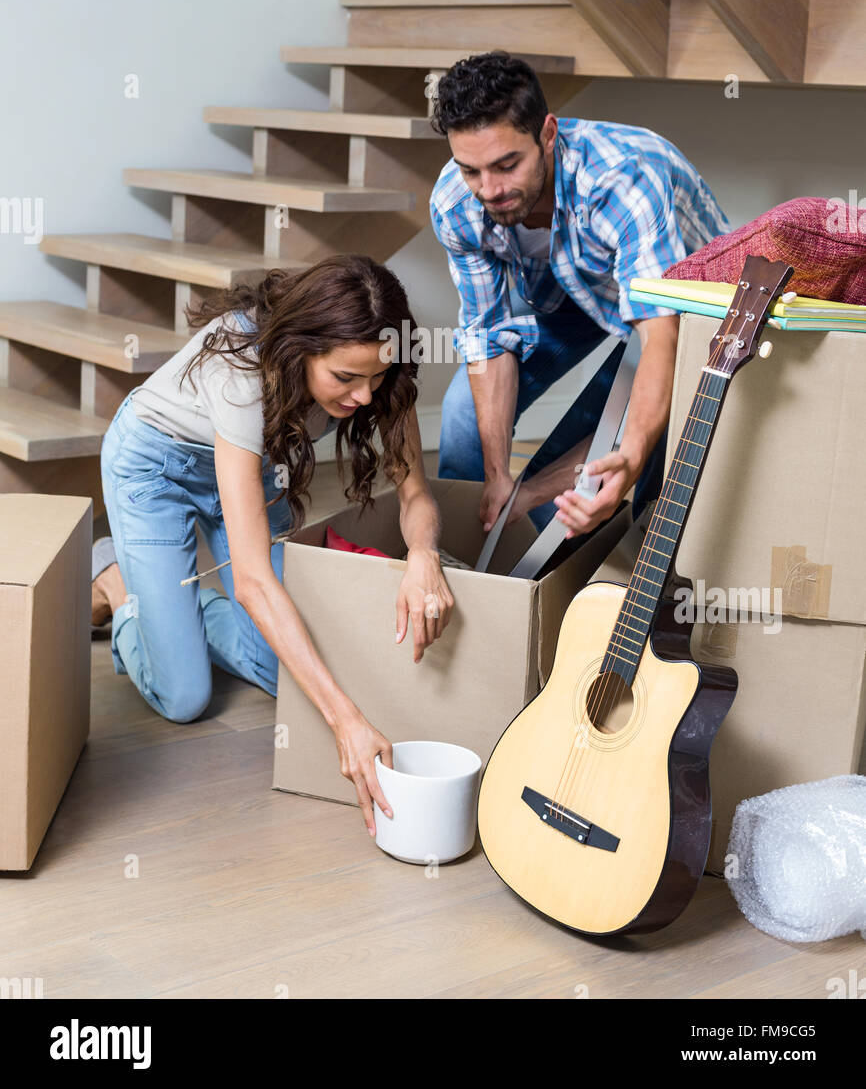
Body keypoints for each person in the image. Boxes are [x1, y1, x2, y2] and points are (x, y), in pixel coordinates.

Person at [91, 254, 454, 836]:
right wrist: (346, 723)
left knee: (277, 669)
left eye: (376, 377)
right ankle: (116, 581)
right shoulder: (242, 371)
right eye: (345, 378)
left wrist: (424, 557)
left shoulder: (382, 375)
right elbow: (255, 582)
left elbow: (416, 495)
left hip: (251, 467)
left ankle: (181, 609)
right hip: (156, 466)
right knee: (184, 697)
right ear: (300, 350)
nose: (365, 396)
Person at [430, 52, 731, 540]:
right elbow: (486, 338)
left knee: (629, 452)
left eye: (507, 165)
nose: (490, 189)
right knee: (464, 414)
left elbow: (661, 339)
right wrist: (497, 475)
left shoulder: (623, 179)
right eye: (471, 170)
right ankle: (464, 555)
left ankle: (584, 546)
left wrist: (629, 454)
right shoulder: (456, 203)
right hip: (568, 291)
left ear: (548, 135)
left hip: (682, 306)